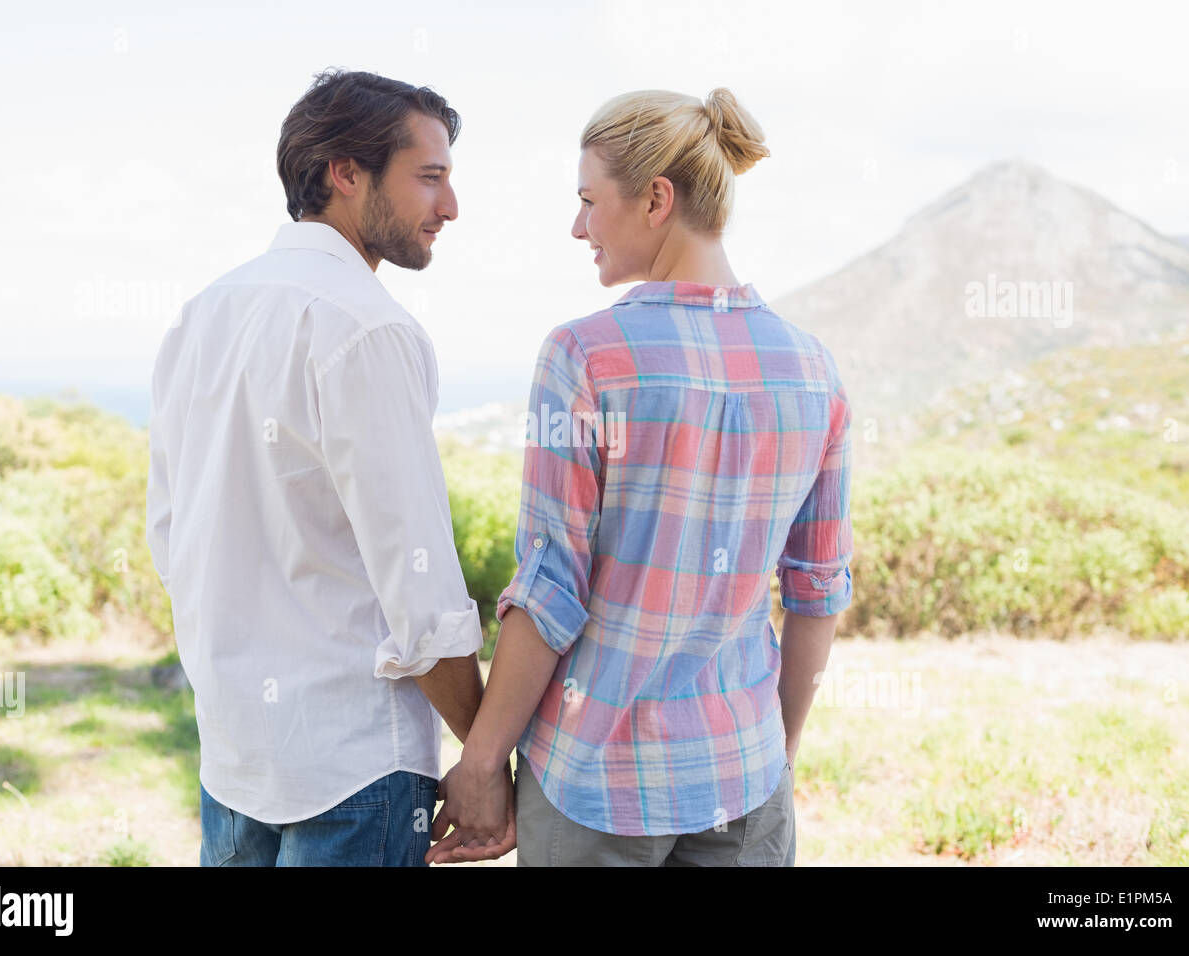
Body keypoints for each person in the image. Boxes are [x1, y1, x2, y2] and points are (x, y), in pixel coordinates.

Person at [426, 88, 854, 866]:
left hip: (594, 786)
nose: (578, 226)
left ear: (656, 199)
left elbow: (550, 590)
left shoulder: (585, 357)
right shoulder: (813, 370)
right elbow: (817, 589)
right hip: (745, 779)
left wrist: (482, 762)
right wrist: (775, 754)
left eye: (589, 201)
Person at [145, 68, 515, 867]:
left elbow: (171, 539)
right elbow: (419, 587)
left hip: (234, 757)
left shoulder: (201, 315)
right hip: (358, 768)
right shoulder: (368, 328)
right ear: (346, 172)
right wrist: (485, 759)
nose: (450, 206)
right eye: (429, 177)